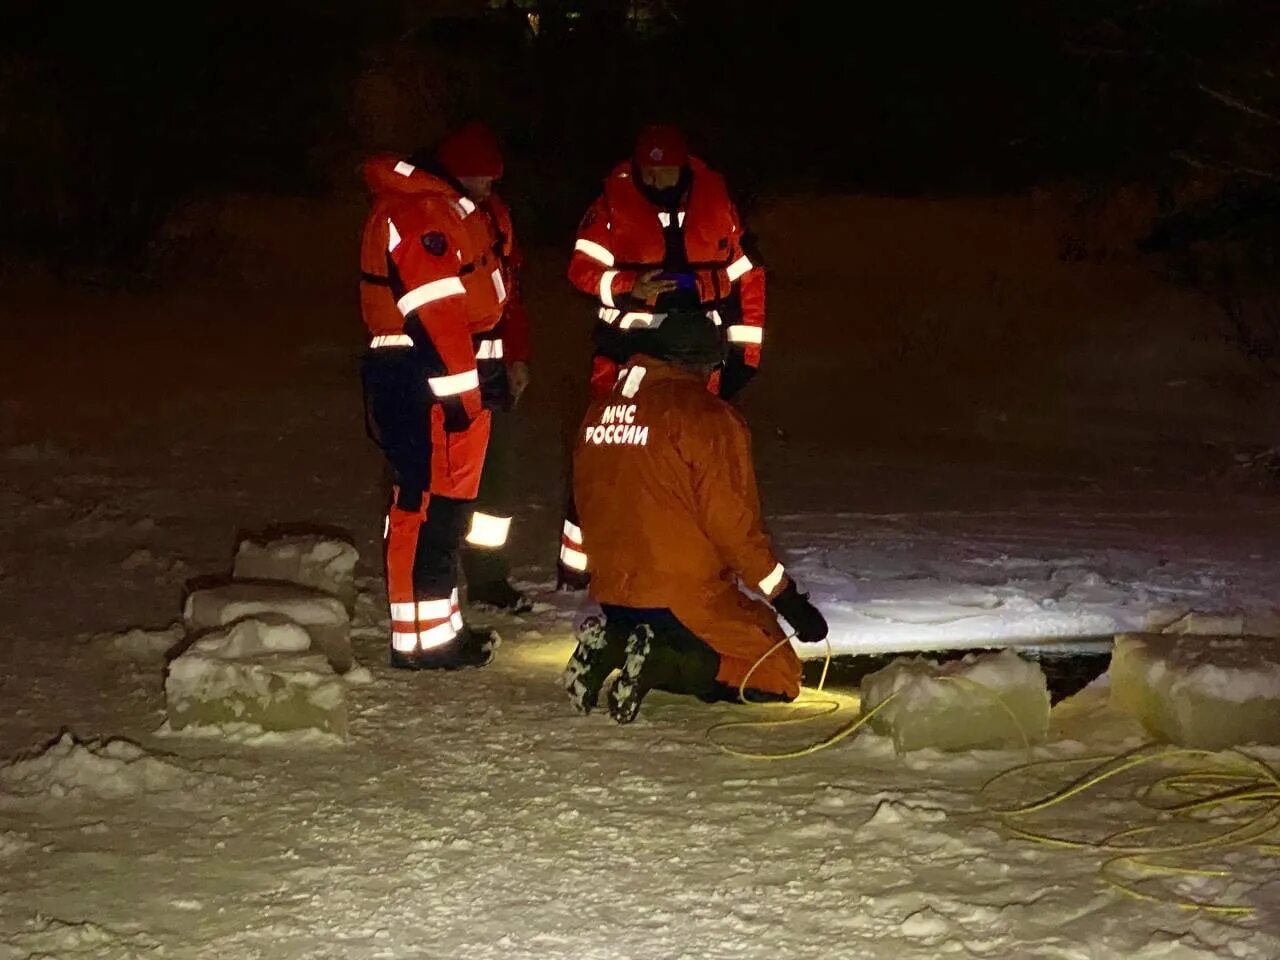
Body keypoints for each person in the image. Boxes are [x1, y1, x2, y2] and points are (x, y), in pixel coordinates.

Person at [562, 310, 827, 723]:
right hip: (683, 597)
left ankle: (615, 643)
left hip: (613, 593)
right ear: (706, 364)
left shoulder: (599, 412)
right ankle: (661, 662)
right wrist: (787, 599)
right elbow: (734, 529)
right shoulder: (707, 418)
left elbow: (584, 502)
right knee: (779, 673)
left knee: (670, 630)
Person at [557, 124, 767, 590]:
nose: (655, 181)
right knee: (607, 451)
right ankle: (580, 562)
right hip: (626, 353)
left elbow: (747, 278)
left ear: (683, 166)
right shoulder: (611, 204)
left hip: (698, 356)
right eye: (648, 172)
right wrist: (630, 287)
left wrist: (745, 354)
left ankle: (698, 558)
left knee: (697, 462)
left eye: (664, 171)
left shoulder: (717, 203)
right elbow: (581, 270)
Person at [358, 136, 513, 669]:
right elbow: (438, 315)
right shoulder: (424, 213)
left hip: (428, 377)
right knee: (428, 510)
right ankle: (426, 642)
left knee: (434, 511)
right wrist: (463, 398)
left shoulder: (428, 208)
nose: (488, 188)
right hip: (428, 379)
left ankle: (433, 636)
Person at [424, 122, 533, 613]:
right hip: (441, 375)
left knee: (496, 485)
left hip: (490, 377)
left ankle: (489, 579)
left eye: (491, 178)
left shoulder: (497, 218)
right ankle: (431, 579)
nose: (486, 187)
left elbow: (510, 296)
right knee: (438, 483)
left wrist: (517, 357)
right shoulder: (429, 218)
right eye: (476, 178)